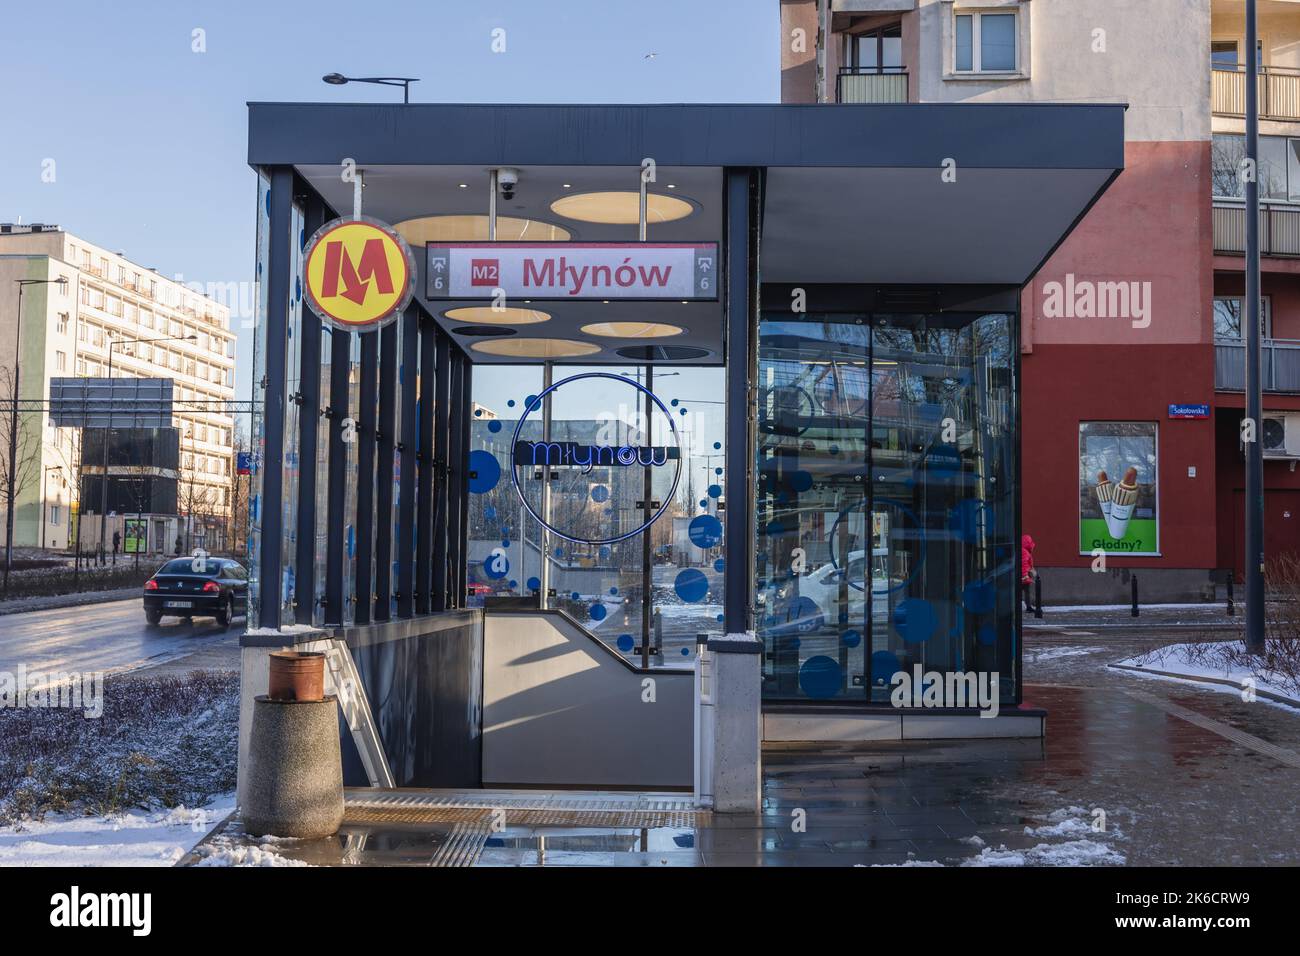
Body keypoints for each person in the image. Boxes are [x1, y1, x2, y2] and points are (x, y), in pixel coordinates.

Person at [1021, 534, 1037, 613]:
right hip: (1024, 576)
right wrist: (1025, 576)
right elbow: (1024, 564)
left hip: (1021, 575)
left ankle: (1027, 606)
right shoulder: (1025, 552)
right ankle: (1028, 607)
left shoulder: (1020, 550)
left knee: (1023, 591)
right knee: (1027, 591)